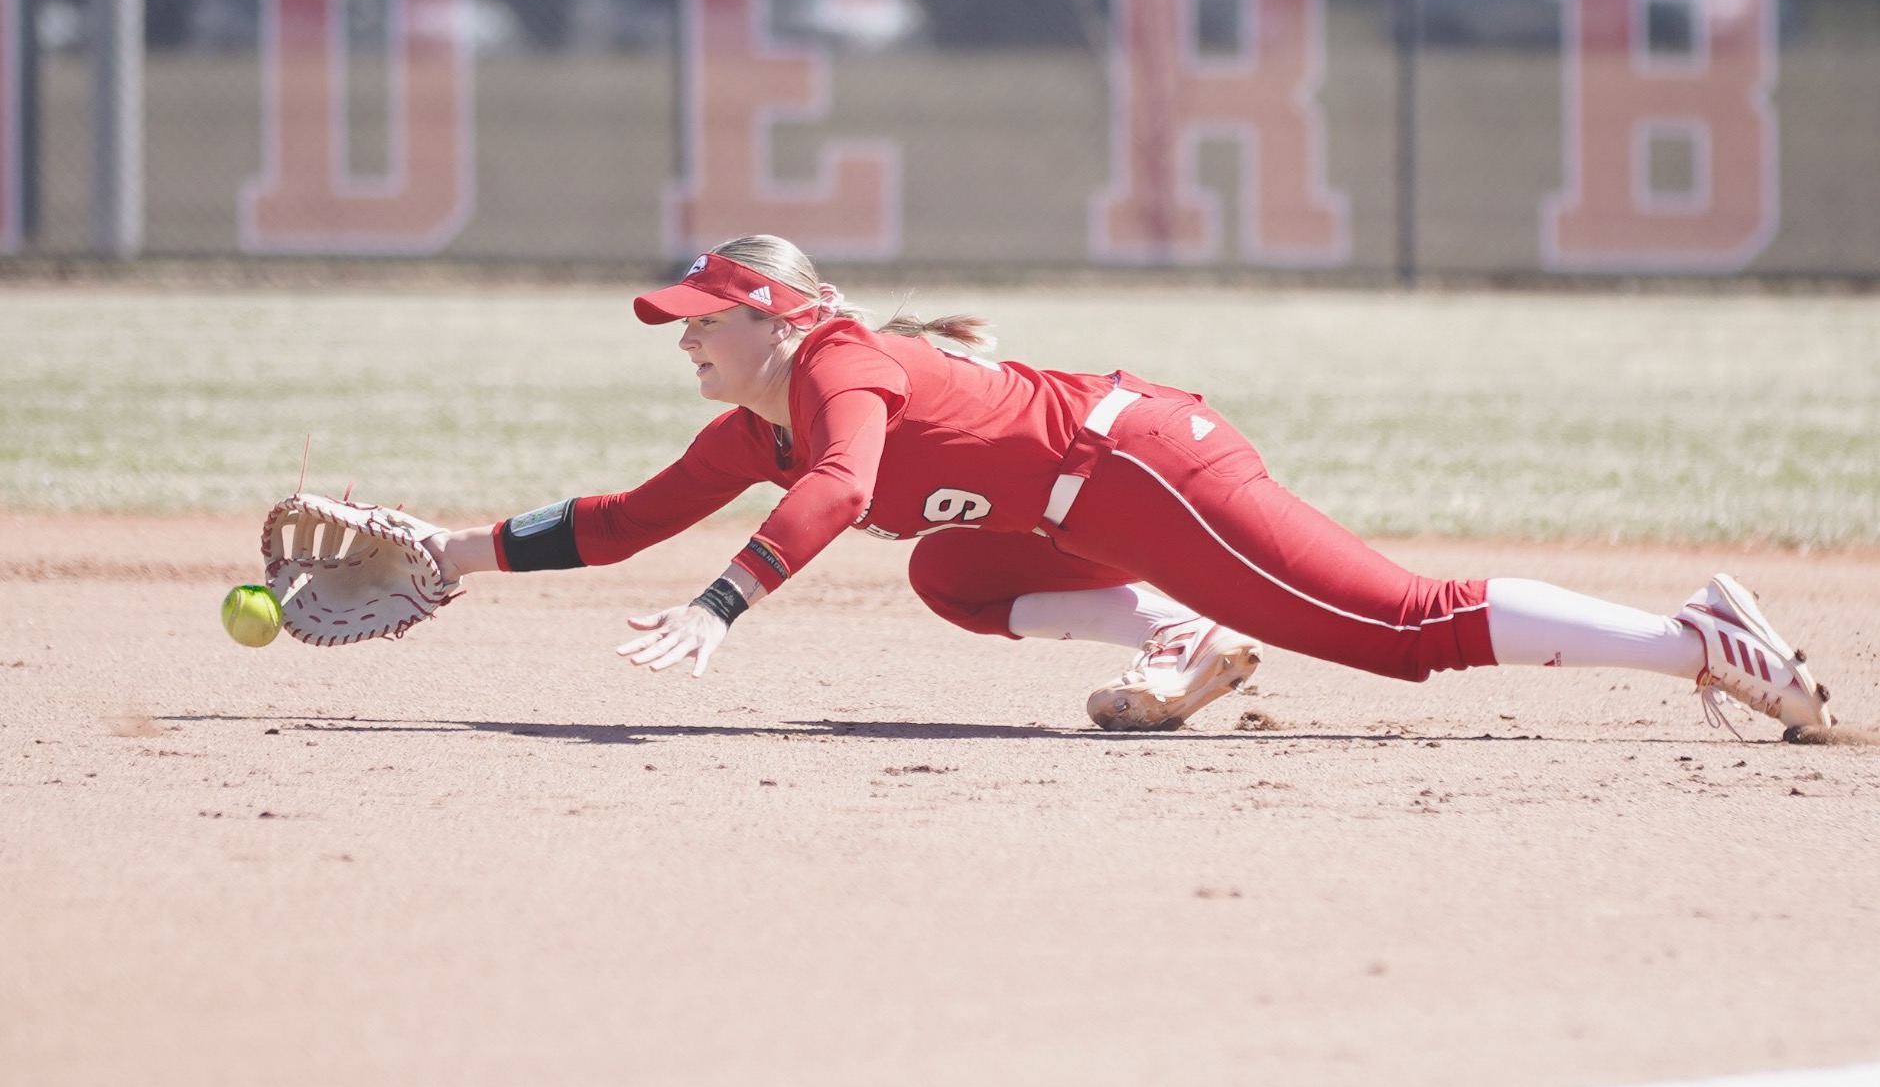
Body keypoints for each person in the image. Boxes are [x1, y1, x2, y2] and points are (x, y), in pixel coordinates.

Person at [423, 234, 1833, 737]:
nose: (686, 334)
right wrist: (441, 552)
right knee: (952, 573)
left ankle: (1698, 637)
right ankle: (1180, 638)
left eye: (701, 316)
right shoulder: (755, 425)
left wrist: (727, 606)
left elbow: (847, 486)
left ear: (778, 319)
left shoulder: (842, 365)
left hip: (1149, 462)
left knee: (1403, 621)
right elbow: (616, 524)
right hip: (1089, 501)